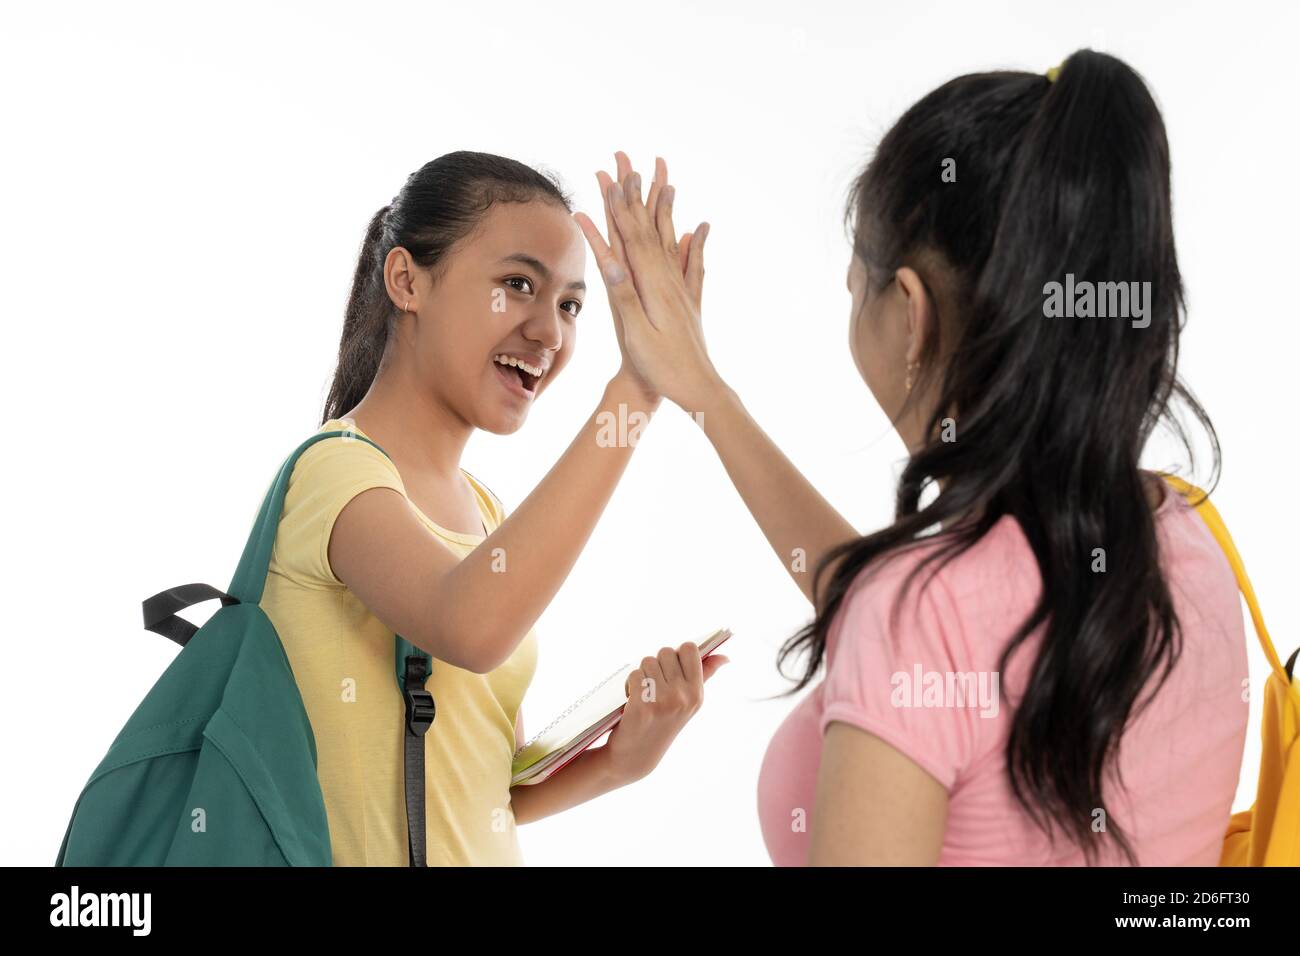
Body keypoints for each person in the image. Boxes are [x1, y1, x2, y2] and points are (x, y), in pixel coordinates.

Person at [575, 50, 1249, 865]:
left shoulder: (919, 614)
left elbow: (926, 628)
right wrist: (706, 396)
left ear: (911, 313)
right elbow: (948, 628)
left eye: (858, 281)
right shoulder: (1182, 538)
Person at [261, 150, 727, 865]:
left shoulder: (483, 510)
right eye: (518, 285)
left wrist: (620, 761)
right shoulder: (335, 475)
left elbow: (486, 789)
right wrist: (636, 393)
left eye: (570, 305)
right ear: (407, 281)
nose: (551, 332)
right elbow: (470, 627)